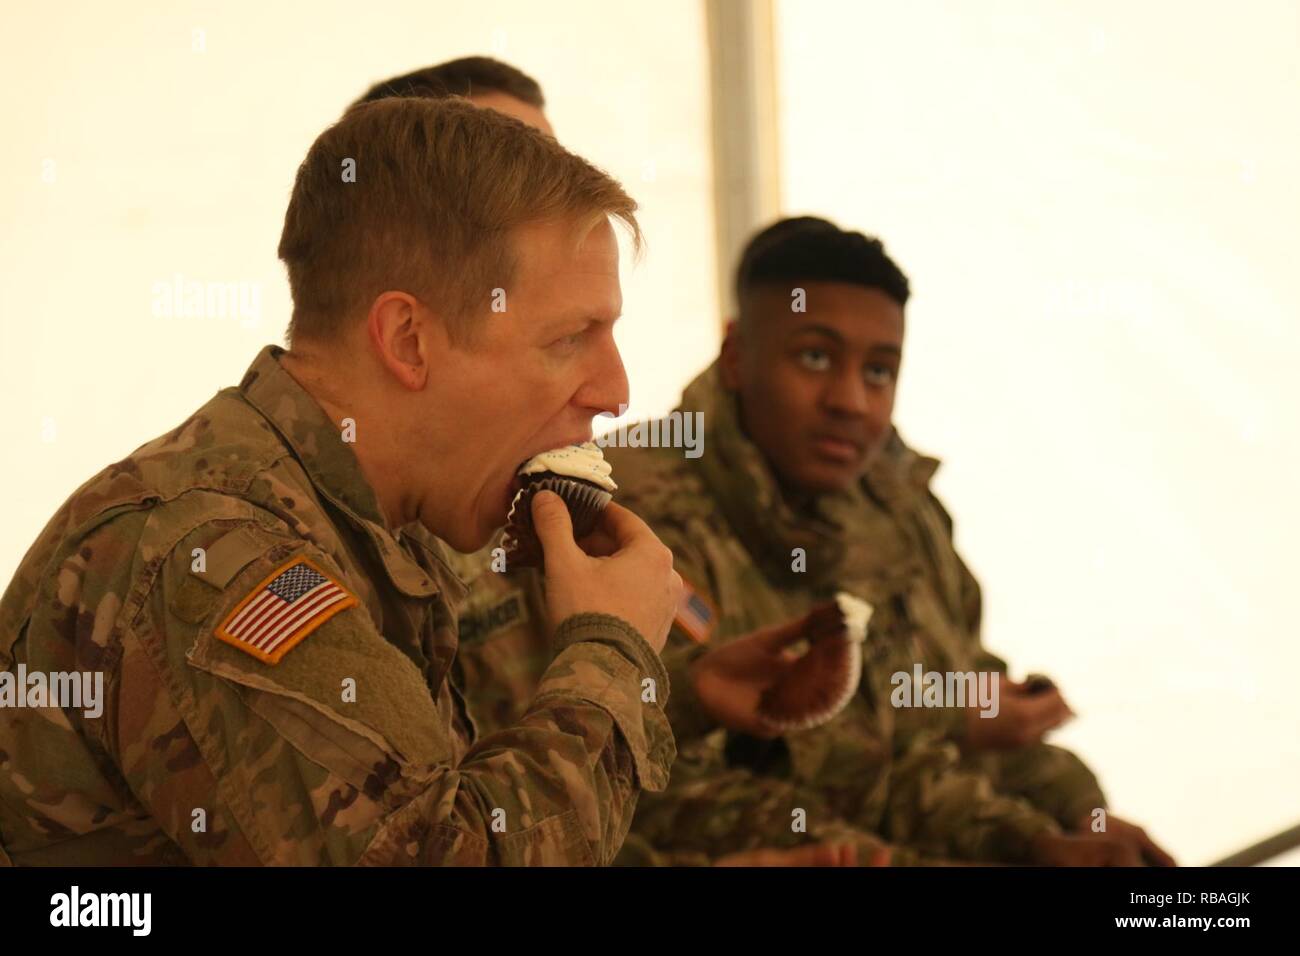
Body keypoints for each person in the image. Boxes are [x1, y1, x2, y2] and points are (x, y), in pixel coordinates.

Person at [0, 96, 680, 866]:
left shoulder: (373, 520)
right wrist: (613, 654)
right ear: (408, 341)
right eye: (568, 339)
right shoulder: (218, 561)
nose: (615, 390)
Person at [606, 216, 1175, 866]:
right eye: (815, 357)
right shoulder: (634, 511)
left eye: (879, 371)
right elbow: (658, 790)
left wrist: (1079, 817)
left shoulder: (892, 503)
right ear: (737, 357)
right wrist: (1016, 843)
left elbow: (965, 705)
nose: (851, 400)